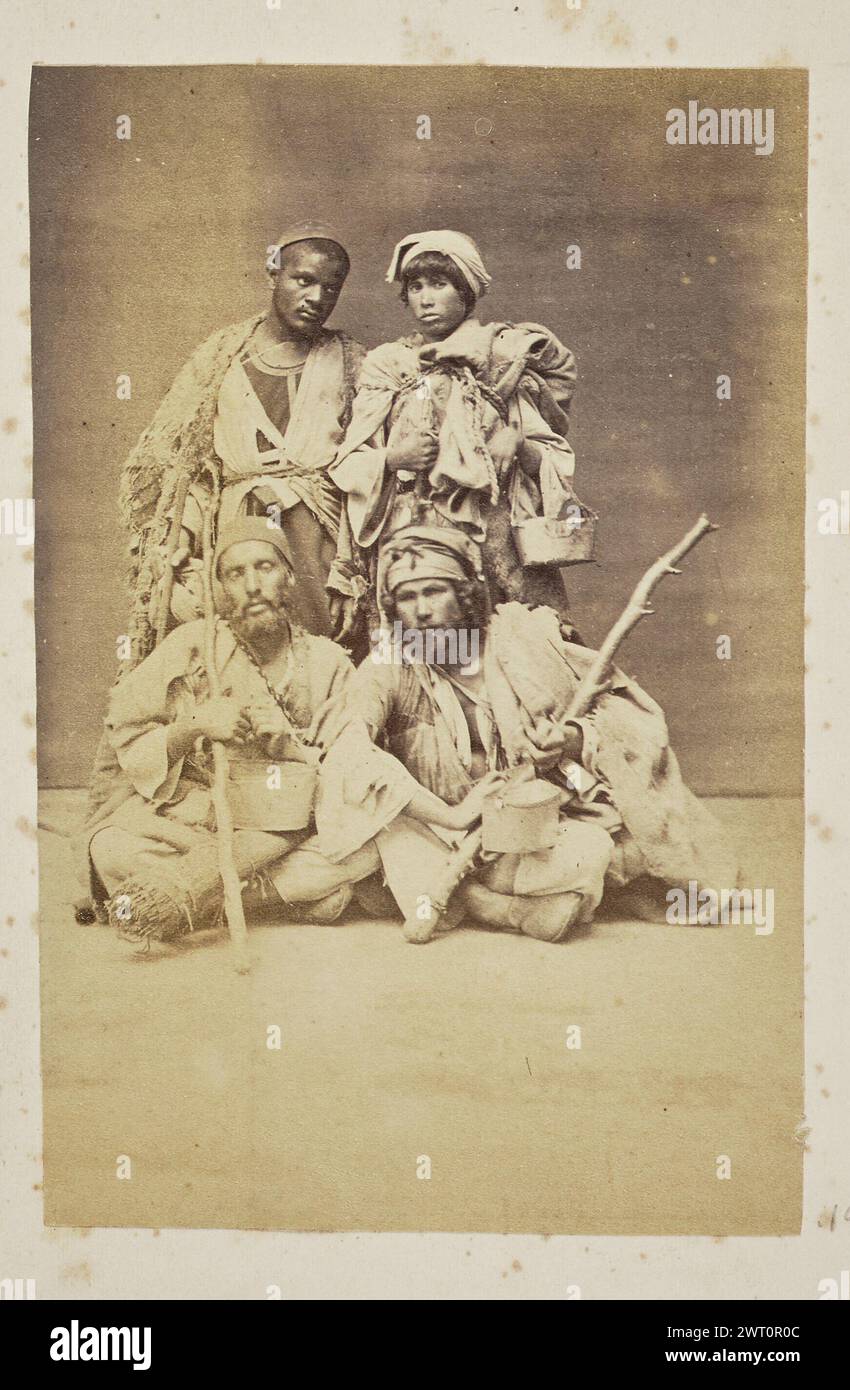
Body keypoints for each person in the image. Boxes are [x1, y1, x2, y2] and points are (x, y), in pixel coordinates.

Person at [315, 524, 739, 943]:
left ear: (464, 594)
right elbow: (350, 749)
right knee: (384, 826)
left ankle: (460, 894)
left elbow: (623, 716)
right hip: (436, 825)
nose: (422, 610)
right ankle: (501, 908)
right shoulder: (391, 663)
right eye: (407, 597)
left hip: (521, 824)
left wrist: (569, 740)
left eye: (434, 591)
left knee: (590, 850)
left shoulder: (523, 638)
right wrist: (452, 816)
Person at [83, 519, 378, 937]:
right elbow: (125, 730)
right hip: (200, 819)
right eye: (236, 574)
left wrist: (290, 748)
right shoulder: (193, 644)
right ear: (221, 587)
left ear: (289, 578)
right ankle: (271, 896)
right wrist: (194, 725)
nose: (253, 585)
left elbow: (351, 766)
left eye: (265, 568)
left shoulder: (327, 662)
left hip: (286, 831)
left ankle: (200, 899)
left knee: (368, 846)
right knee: (109, 847)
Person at [121, 221, 365, 656]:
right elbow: (188, 470)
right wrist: (181, 538)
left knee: (323, 670)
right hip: (237, 536)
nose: (317, 299)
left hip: (319, 545)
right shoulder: (220, 357)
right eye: (303, 280)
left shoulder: (351, 361)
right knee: (239, 671)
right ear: (273, 272)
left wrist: (348, 570)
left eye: (332, 287)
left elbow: (369, 467)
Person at [328, 229, 590, 632]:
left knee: (514, 645)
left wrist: (518, 442)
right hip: (411, 533)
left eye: (439, 284)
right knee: (425, 646)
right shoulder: (387, 365)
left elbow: (552, 459)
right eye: (415, 287)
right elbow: (350, 461)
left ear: (466, 290)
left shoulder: (501, 358)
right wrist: (394, 458)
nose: (426, 298)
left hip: (493, 534)